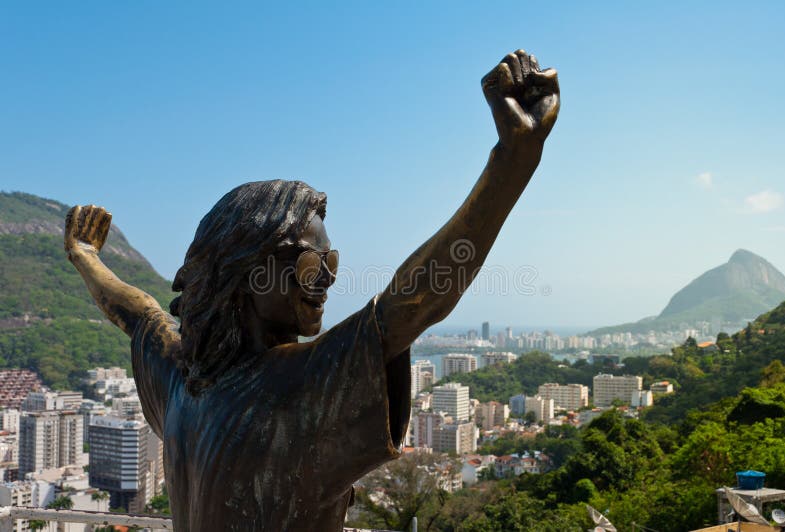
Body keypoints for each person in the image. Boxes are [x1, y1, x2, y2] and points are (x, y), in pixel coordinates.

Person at [64, 50, 560, 531]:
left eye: (332, 261)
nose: (327, 277)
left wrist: (86, 258)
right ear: (249, 274)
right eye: (309, 262)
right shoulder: (294, 389)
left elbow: (136, 311)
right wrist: (512, 161)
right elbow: (414, 301)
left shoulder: (179, 381)